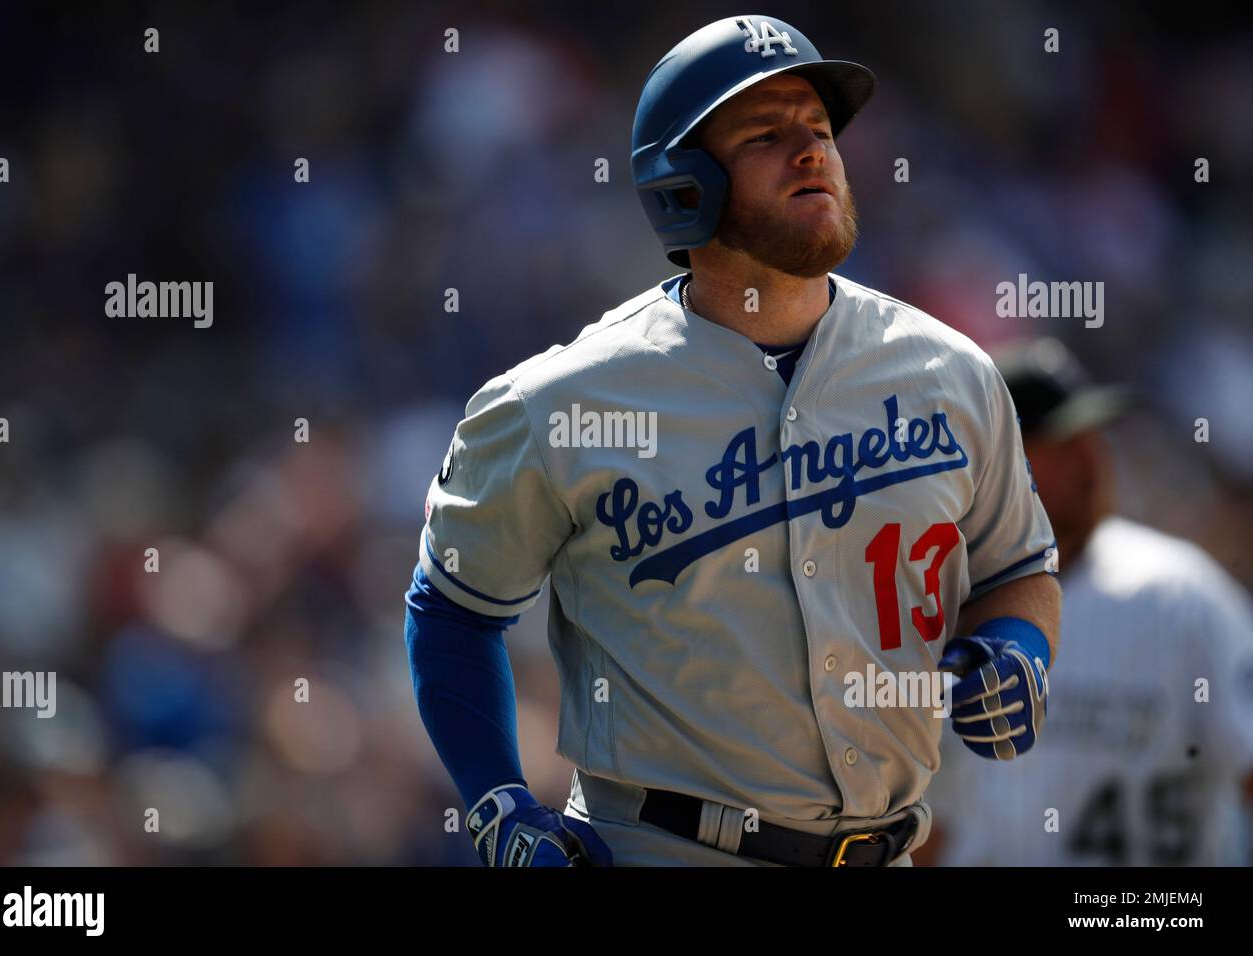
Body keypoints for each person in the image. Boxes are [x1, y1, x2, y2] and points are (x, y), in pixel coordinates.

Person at [404, 14, 1061, 867]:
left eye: (820, 130)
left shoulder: (956, 374)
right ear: (684, 183)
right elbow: (452, 606)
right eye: (766, 133)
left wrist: (1019, 648)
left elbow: (1016, 566)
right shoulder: (560, 402)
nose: (811, 151)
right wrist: (497, 800)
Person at [919, 338, 1253, 866]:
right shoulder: (935, 611)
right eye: (1057, 439)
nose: (1091, 455)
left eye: (1090, 434)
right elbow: (924, 831)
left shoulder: (1180, 596)